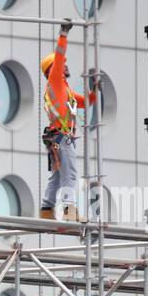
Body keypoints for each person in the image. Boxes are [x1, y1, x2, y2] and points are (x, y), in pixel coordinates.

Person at [39, 19, 97, 221]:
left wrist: (95, 91)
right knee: (69, 175)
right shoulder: (54, 82)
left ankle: (47, 210)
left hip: (58, 138)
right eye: (62, 65)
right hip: (62, 138)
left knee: (57, 176)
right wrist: (63, 35)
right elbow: (59, 55)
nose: (66, 65)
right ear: (54, 69)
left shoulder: (65, 90)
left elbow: (86, 102)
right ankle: (69, 211)